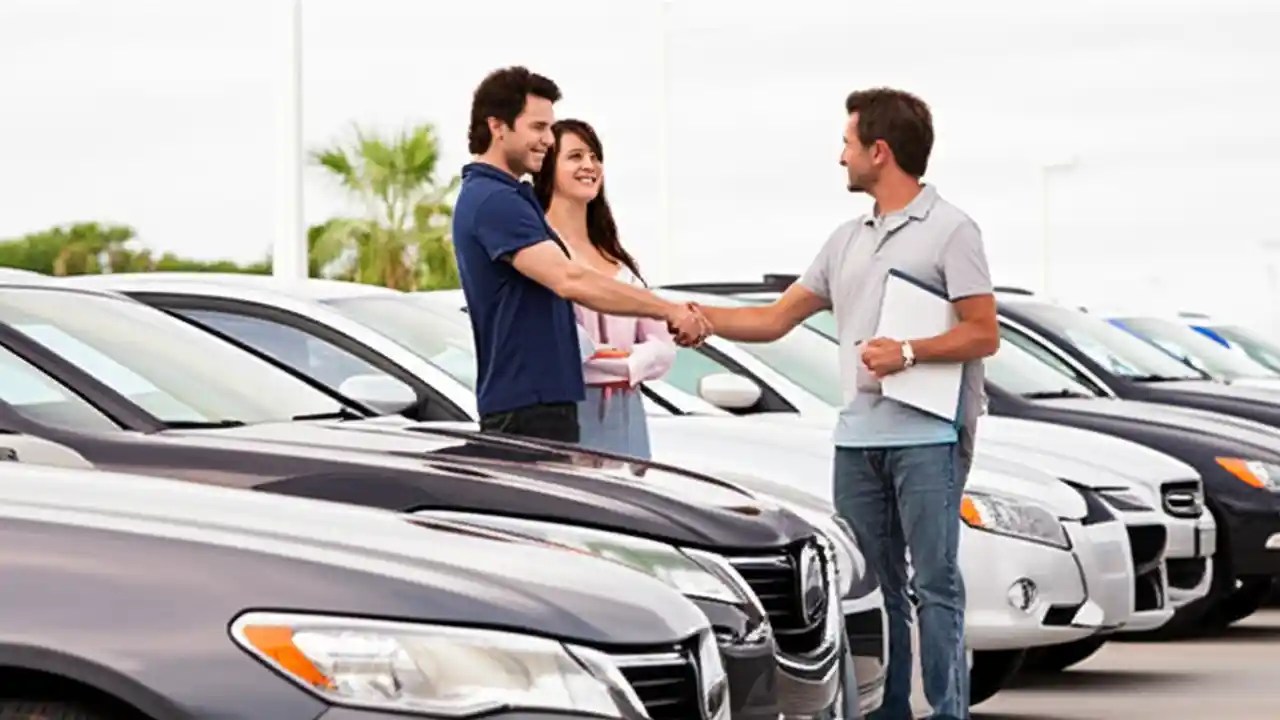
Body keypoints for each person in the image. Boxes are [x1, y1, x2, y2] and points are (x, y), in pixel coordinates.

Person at [687, 88, 999, 720]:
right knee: (873, 588)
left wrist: (908, 351)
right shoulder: (845, 239)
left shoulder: (952, 230)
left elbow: (983, 331)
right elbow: (775, 319)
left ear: (879, 153)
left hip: (928, 441)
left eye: (848, 143)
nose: (841, 157)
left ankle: (948, 711)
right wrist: (699, 320)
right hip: (857, 441)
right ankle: (889, 712)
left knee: (934, 584)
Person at [451, 66, 709, 444]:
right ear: (498, 126)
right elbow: (569, 279)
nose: (547, 141)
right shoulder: (494, 200)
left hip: (543, 406)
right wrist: (667, 310)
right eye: (537, 128)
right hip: (527, 412)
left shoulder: (507, 197)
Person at [529, 118, 673, 459]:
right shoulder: (541, 251)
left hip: (629, 412)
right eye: (575, 156)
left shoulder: (616, 255)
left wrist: (629, 361)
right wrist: (632, 362)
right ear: (549, 166)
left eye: (594, 157)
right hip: (570, 412)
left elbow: (664, 347)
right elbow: (570, 350)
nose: (589, 166)